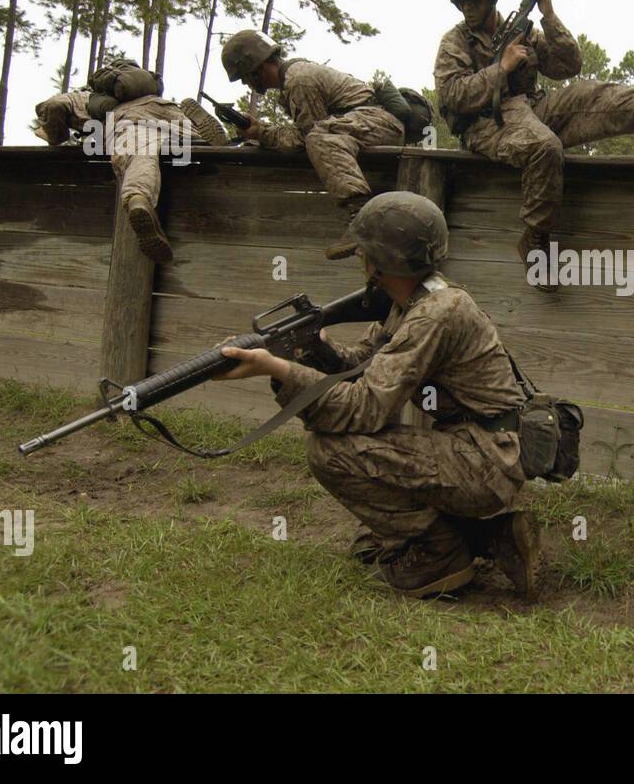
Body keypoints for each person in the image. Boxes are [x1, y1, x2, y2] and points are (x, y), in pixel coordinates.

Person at [214, 190, 542, 600]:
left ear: (378, 262)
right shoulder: (414, 302)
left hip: (487, 461)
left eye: (363, 253)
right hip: (480, 450)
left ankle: (440, 553)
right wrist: (317, 349)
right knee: (357, 468)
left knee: (330, 452)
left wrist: (277, 369)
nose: (360, 261)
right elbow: (364, 362)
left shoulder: (435, 314)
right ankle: (490, 538)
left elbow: (365, 408)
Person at [434, 0, 634, 291]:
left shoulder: (520, 29)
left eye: (475, 0)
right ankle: (535, 238)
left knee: (588, 95)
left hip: (532, 107)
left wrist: (549, 16)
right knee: (544, 146)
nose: (468, 8)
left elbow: (568, 65)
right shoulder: (454, 42)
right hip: (486, 123)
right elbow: (453, 96)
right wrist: (502, 67)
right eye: (462, 2)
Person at [221, 29, 418, 260]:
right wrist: (261, 132)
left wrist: (262, 133)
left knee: (318, 138)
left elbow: (308, 138)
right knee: (319, 136)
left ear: (257, 67)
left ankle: (363, 220)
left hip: (379, 121)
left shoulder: (298, 80)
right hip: (367, 122)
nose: (245, 83)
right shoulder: (293, 79)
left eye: (244, 76)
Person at [35, 83, 228, 264]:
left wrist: (56, 136)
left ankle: (138, 199)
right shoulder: (133, 89)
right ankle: (201, 128)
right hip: (163, 107)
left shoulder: (78, 98)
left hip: (128, 119)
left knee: (138, 156)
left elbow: (54, 106)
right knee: (185, 142)